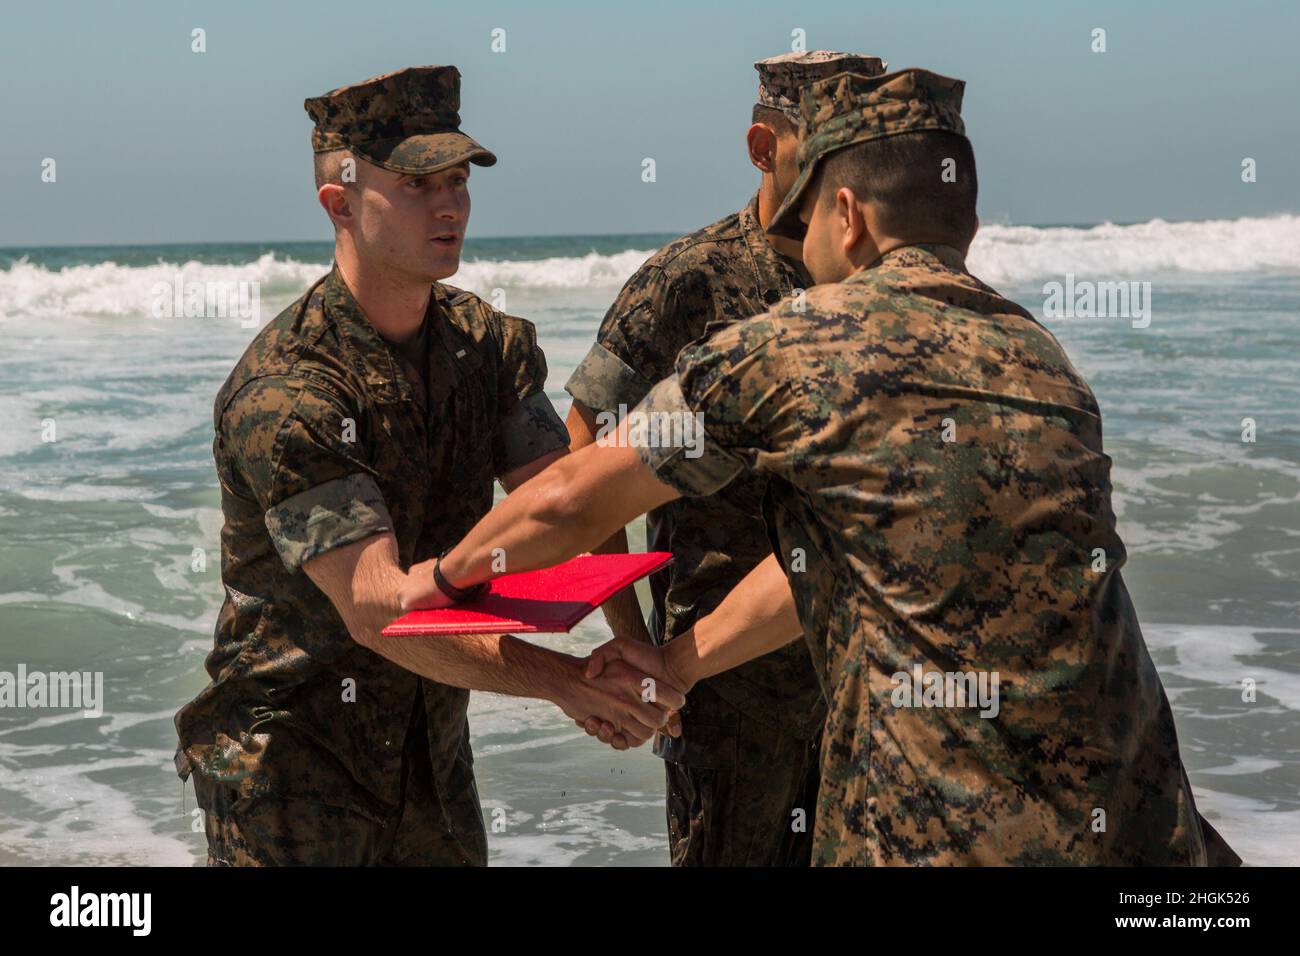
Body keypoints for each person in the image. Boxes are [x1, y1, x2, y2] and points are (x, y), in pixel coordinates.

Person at [400, 67, 1241, 866]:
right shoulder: (1044, 361)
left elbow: (573, 500)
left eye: (808, 220)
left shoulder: (796, 347)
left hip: (944, 828)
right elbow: (833, 557)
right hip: (1142, 826)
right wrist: (678, 666)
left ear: (848, 216)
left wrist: (443, 574)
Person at [174, 65, 682, 867]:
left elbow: (566, 502)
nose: (450, 206)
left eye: (456, 181)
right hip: (292, 777)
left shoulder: (487, 345)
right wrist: (567, 681)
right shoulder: (291, 387)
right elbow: (377, 609)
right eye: (416, 184)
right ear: (338, 202)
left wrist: (635, 653)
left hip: (433, 756)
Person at [564, 49, 884, 867]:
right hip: (721, 684)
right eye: (824, 152)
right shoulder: (689, 282)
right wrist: (632, 638)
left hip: (864, 670)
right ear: (761, 148)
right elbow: (586, 440)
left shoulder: (879, 287)